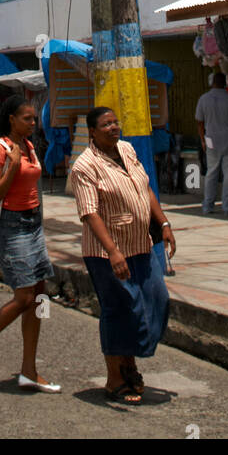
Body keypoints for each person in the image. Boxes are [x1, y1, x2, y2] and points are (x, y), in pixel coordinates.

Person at [70, 107, 174, 404]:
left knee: (157, 301)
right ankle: (116, 376)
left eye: (116, 122)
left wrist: (163, 222)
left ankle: (130, 363)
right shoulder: (84, 166)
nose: (114, 127)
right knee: (119, 310)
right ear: (92, 131)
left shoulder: (127, 150)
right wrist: (113, 251)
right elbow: (89, 212)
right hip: (107, 254)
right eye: (106, 124)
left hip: (141, 246)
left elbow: (145, 188)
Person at [0, 94, 59, 393]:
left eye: (34, 118)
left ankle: (29, 371)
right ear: (11, 119)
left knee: (38, 295)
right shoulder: (0, 148)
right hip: (13, 227)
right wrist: (11, 167)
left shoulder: (29, 146)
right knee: (23, 297)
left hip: (33, 225)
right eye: (27, 118)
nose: (33, 123)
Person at [195, 72, 228, 216]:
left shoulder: (203, 99)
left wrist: (203, 140)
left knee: (211, 172)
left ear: (212, 83)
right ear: (225, 83)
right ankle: (227, 207)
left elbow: (199, 122)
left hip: (210, 139)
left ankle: (207, 206)